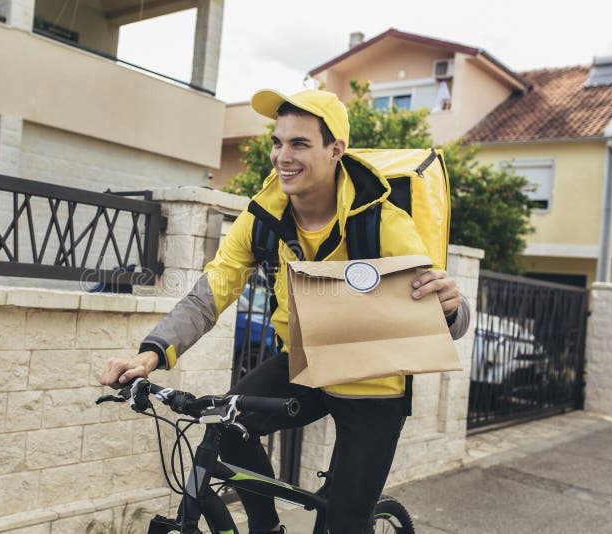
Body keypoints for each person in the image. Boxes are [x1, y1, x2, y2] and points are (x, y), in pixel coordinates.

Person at [100, 89, 470, 533]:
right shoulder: (263, 218)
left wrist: (451, 306)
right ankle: (266, 528)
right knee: (229, 424)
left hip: (375, 385)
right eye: (278, 142)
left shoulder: (382, 223)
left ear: (336, 150)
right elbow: (212, 291)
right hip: (306, 360)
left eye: (299, 144)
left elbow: (444, 317)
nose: (282, 156)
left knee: (345, 522)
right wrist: (152, 353)